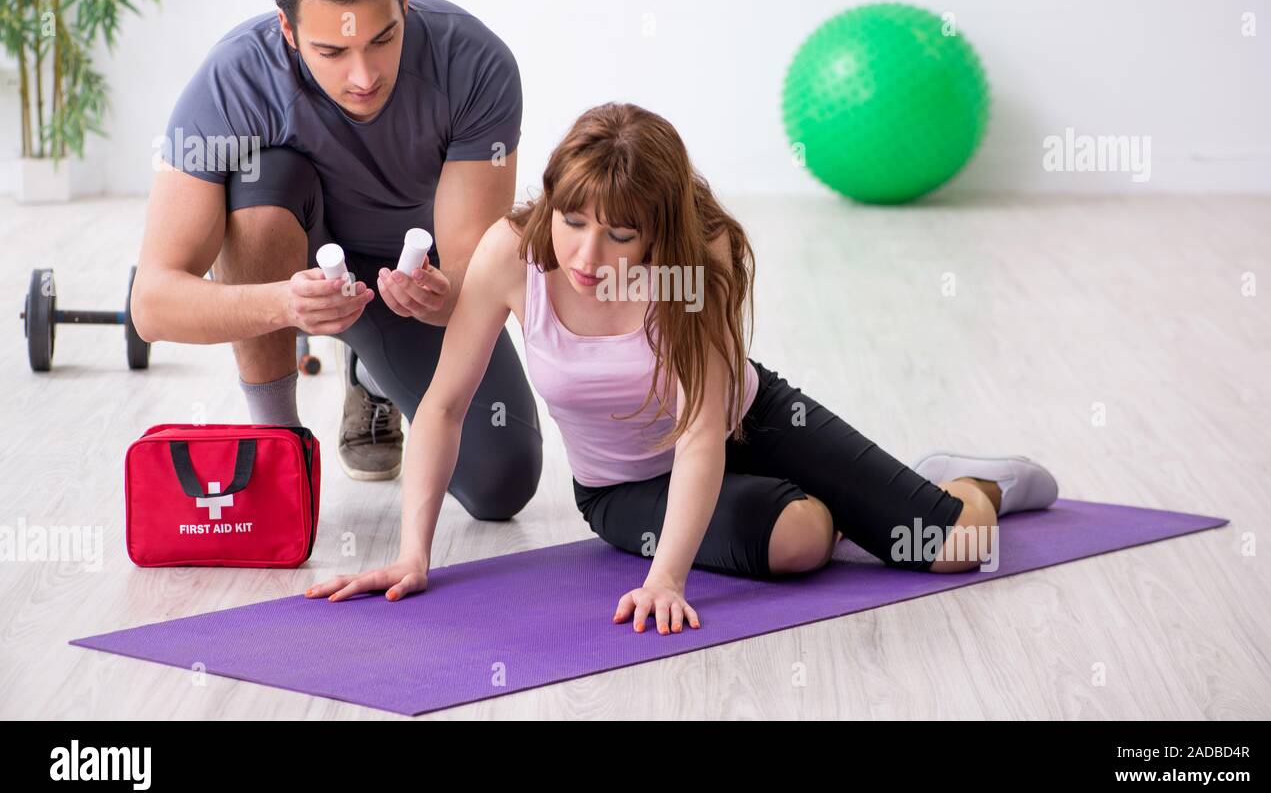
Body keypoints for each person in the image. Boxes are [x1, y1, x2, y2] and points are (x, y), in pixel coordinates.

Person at [306, 102, 1059, 633]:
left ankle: (961, 482)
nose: (587, 257)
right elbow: (441, 406)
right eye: (573, 221)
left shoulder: (699, 259)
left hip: (749, 421)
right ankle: (843, 507)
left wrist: (667, 578)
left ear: (659, 232)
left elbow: (703, 434)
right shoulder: (515, 252)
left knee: (954, 545)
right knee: (802, 535)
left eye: (620, 234)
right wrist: (414, 551)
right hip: (627, 486)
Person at [132, 0, 542, 519]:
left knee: (501, 482)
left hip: (403, 281)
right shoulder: (232, 79)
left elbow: (473, 277)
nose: (364, 76)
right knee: (263, 171)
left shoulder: (475, 64)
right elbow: (152, 305)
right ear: (288, 31)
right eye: (332, 50)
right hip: (289, 272)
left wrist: (443, 293)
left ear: (403, 1)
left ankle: (373, 376)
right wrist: (284, 304)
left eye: (383, 38)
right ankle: (277, 451)